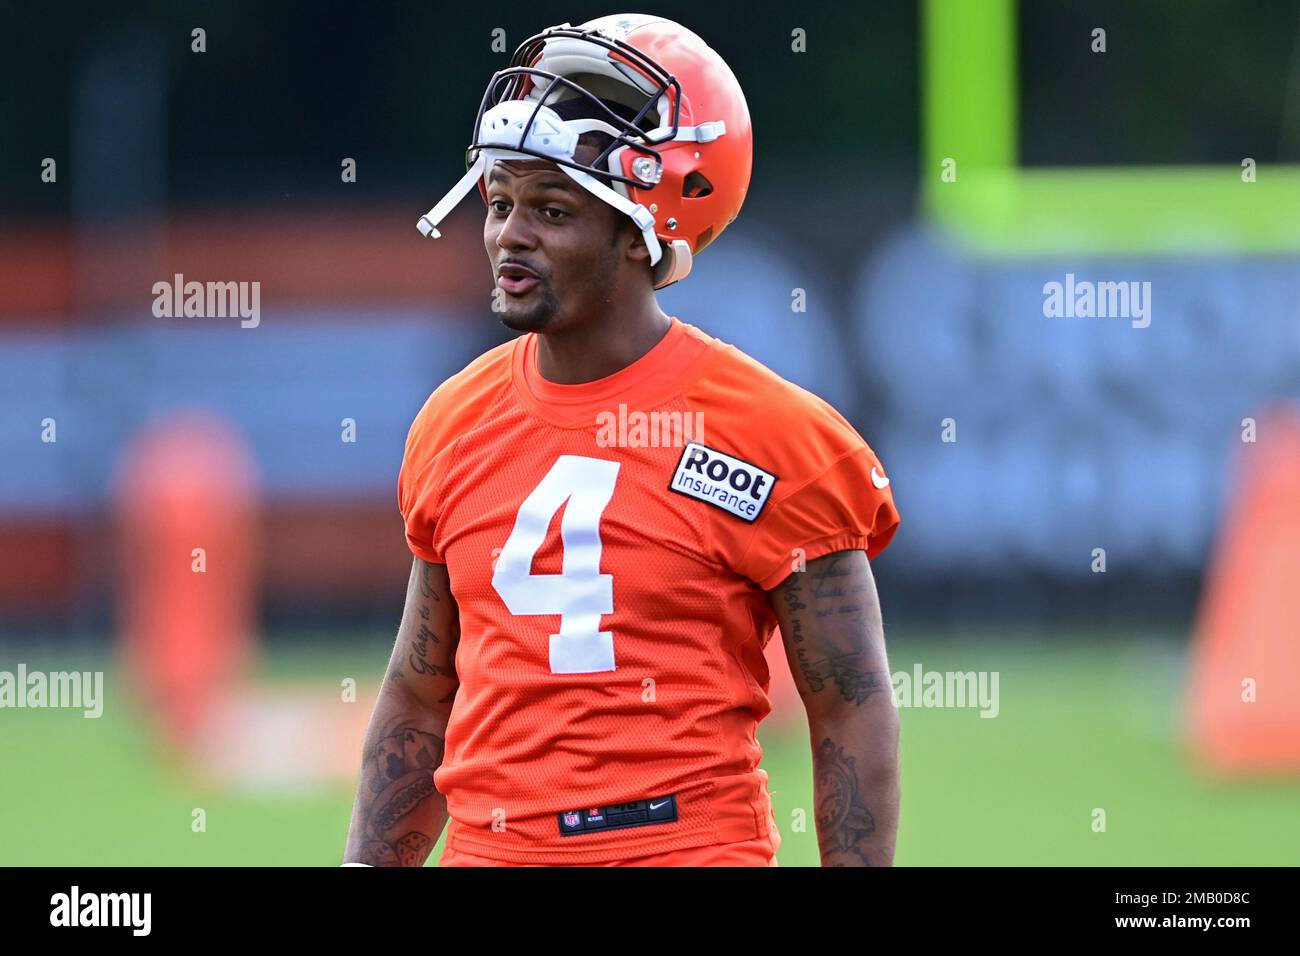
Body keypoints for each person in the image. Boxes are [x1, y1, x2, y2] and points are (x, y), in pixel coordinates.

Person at [343, 12, 900, 867]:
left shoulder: (774, 435)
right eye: (500, 203)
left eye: (553, 209)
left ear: (645, 233)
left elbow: (849, 707)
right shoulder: (454, 420)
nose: (510, 237)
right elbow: (422, 693)